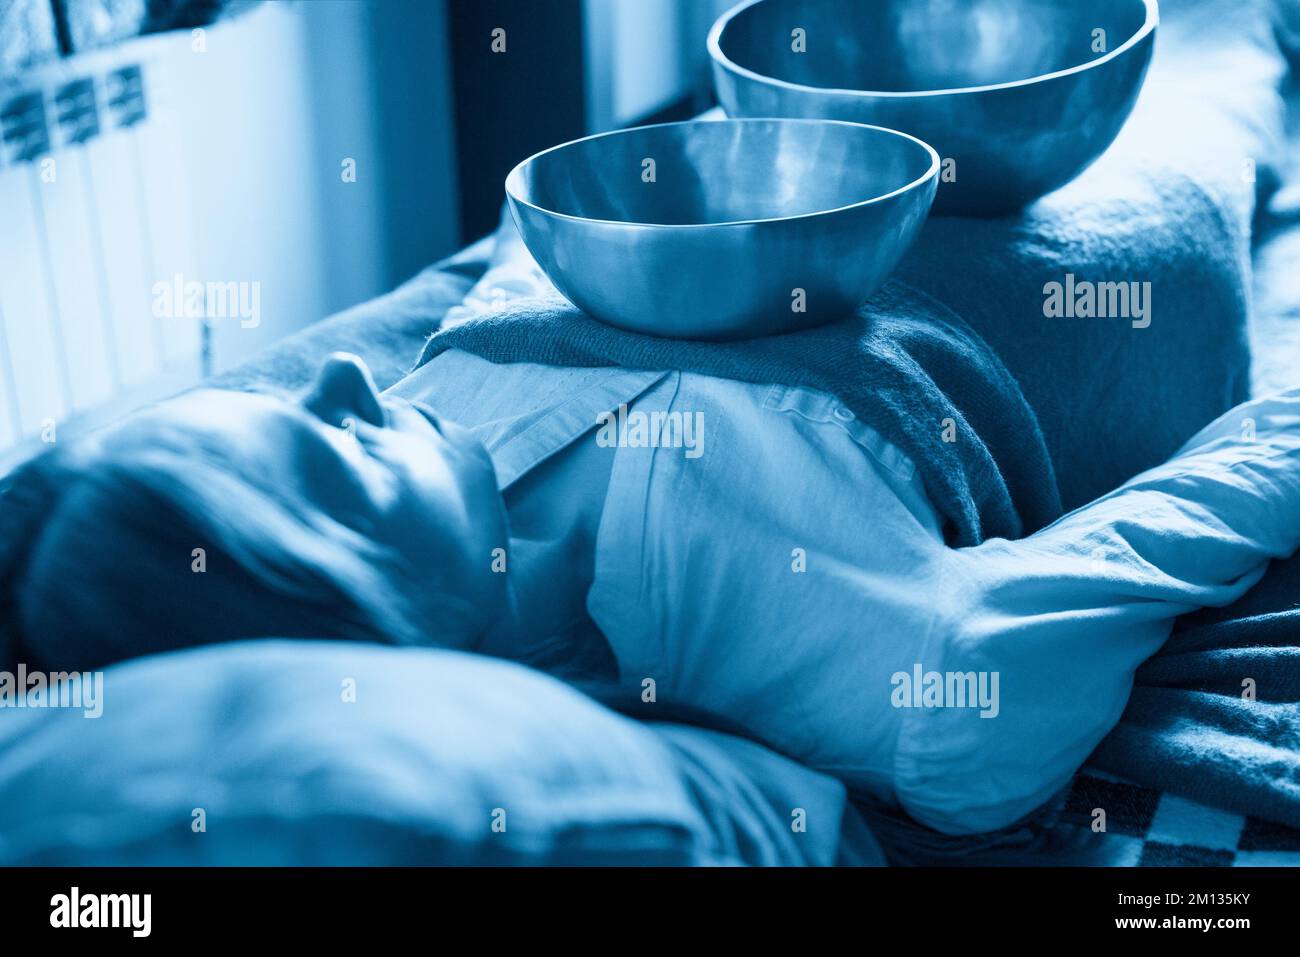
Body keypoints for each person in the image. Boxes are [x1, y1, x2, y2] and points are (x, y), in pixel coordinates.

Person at [3, 258, 1299, 835]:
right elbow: (1237, 481)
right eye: (325, 461)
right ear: (382, 643)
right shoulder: (926, 690)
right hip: (1107, 268)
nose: (347, 374)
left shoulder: (444, 404)